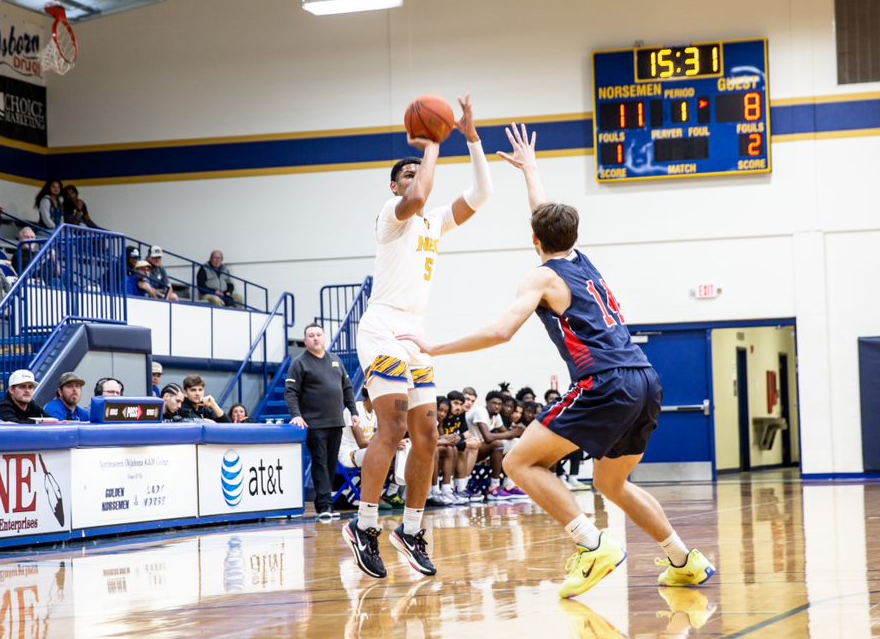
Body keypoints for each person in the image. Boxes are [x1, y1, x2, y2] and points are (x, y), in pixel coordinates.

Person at [401, 123, 714, 599]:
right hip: (645, 378)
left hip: (605, 381)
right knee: (613, 483)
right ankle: (683, 560)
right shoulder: (581, 261)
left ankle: (591, 545)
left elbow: (502, 330)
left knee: (519, 462)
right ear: (573, 234)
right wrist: (531, 169)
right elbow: (546, 219)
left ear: (534, 240)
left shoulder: (542, 277)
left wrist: (435, 347)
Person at [342, 94, 493, 581]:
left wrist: (469, 138)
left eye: (418, 170)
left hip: (414, 336)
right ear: (393, 184)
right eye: (406, 173)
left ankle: (410, 529)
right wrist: (431, 144)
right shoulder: (393, 214)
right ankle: (364, 525)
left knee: (426, 437)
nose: (415, 178)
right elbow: (418, 197)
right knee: (393, 429)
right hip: (382, 328)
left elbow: (482, 195)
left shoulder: (435, 222)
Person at [285, 323, 359, 520]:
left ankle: (324, 504)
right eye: (311, 335)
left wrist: (353, 411)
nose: (315, 338)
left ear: (324, 338)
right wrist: (296, 415)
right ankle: (325, 506)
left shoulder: (335, 360)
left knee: (330, 464)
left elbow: (347, 388)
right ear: (305, 340)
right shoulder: (299, 363)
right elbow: (291, 392)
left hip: (336, 421)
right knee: (320, 463)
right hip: (314, 423)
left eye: (318, 334)